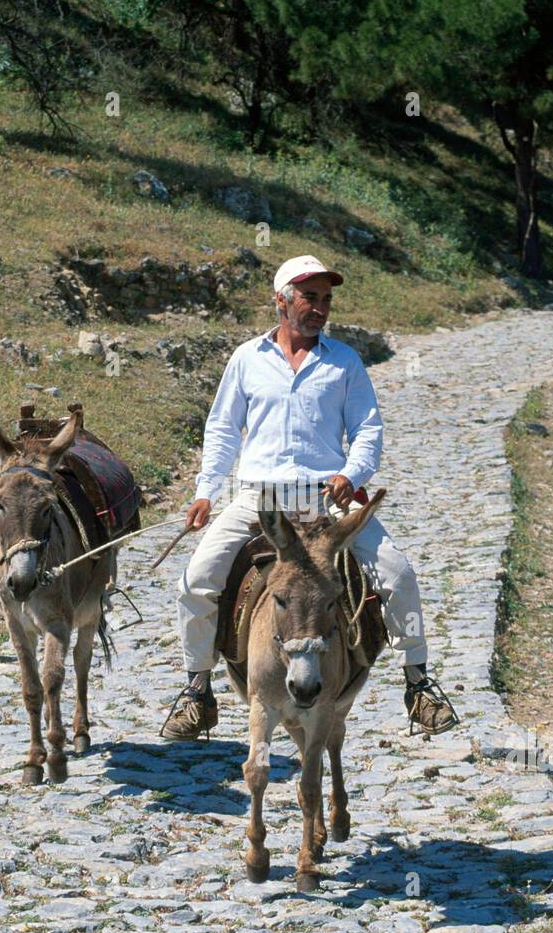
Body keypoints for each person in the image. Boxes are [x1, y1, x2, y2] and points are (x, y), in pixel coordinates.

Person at [160, 253, 459, 740]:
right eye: (309, 297)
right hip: (260, 500)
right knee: (196, 580)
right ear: (281, 300)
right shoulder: (245, 360)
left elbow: (367, 430)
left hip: (328, 501)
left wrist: (351, 472)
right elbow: (221, 431)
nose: (320, 307)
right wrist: (204, 493)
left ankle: (419, 685)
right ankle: (197, 690)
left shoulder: (344, 361)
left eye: (325, 299)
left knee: (398, 573)